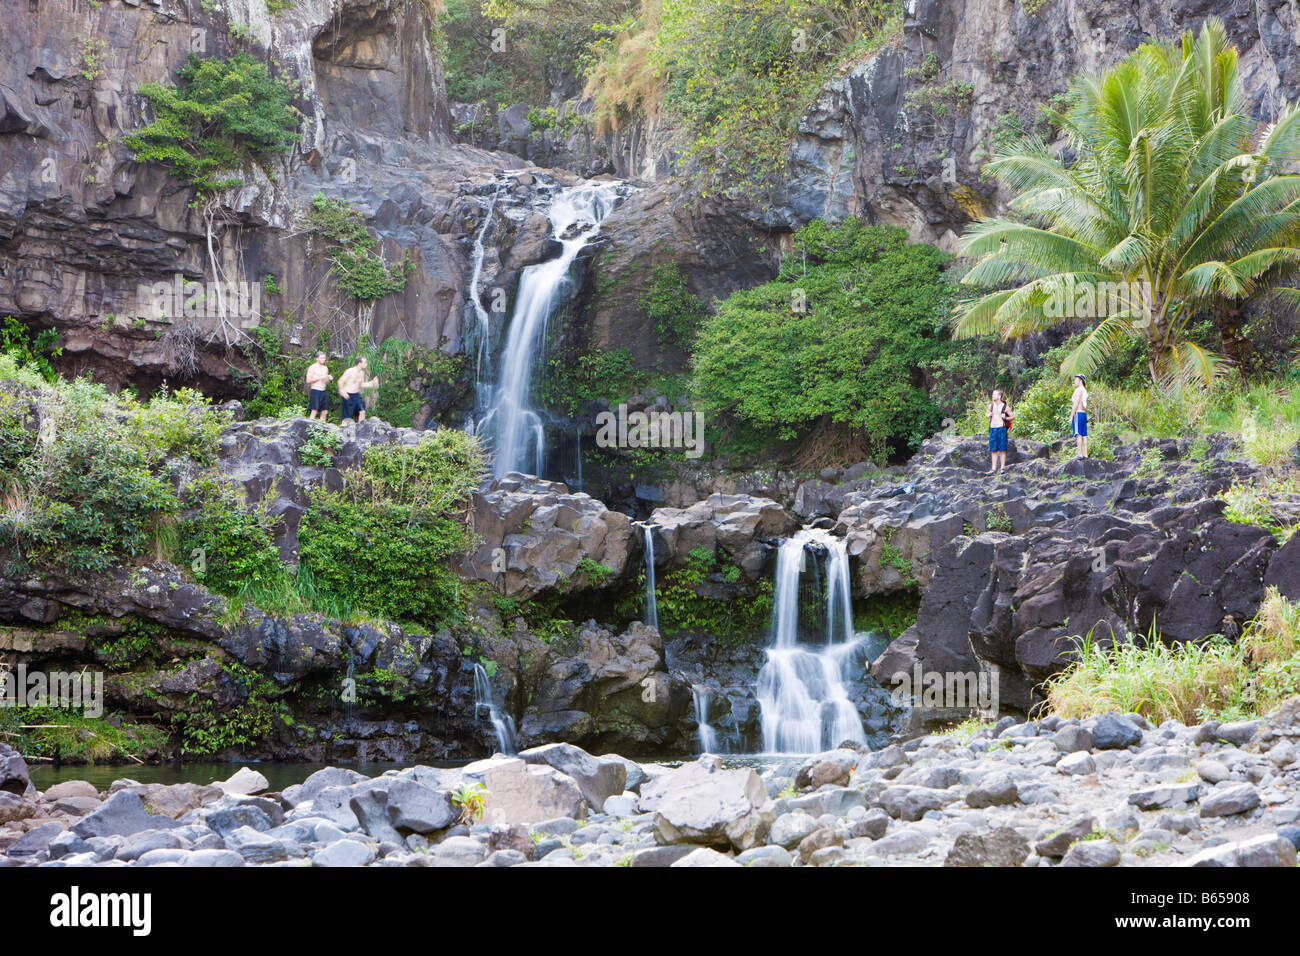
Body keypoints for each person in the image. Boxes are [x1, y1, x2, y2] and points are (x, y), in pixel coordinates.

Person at [337, 355, 379, 423]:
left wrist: (372, 383)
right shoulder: (350, 371)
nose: (366, 364)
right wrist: (341, 391)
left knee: (362, 411)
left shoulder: (361, 373)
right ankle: (343, 430)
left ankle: (361, 428)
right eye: (365, 363)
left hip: (356, 395)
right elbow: (340, 381)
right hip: (348, 395)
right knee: (347, 418)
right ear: (359, 363)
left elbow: (361, 385)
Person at [987, 388, 1012, 473]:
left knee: (1002, 448)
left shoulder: (1005, 407)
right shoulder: (991, 406)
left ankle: (1002, 468)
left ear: (1000, 396)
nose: (993, 396)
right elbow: (987, 414)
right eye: (993, 394)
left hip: (1001, 428)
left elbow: (1013, 417)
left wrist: (1006, 417)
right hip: (993, 428)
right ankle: (993, 468)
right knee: (993, 449)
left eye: (995, 394)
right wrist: (988, 415)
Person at [305, 352, 332, 421]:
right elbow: (308, 380)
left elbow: (325, 382)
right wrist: (319, 377)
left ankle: (322, 426)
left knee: (325, 411)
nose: (323, 360)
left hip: (323, 390)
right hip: (315, 390)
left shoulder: (325, 368)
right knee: (315, 410)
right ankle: (310, 425)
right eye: (322, 358)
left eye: (324, 358)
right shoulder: (312, 367)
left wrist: (328, 379)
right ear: (317, 359)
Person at [1071, 374, 1089, 458]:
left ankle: (1079, 454)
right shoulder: (1085, 390)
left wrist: (1071, 416)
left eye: (1076, 380)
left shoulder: (1079, 390)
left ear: (1081, 381)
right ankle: (1085, 454)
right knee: (1084, 434)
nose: (1074, 381)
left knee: (1078, 434)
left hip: (1078, 413)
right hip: (1083, 414)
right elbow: (1086, 406)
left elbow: (1076, 402)